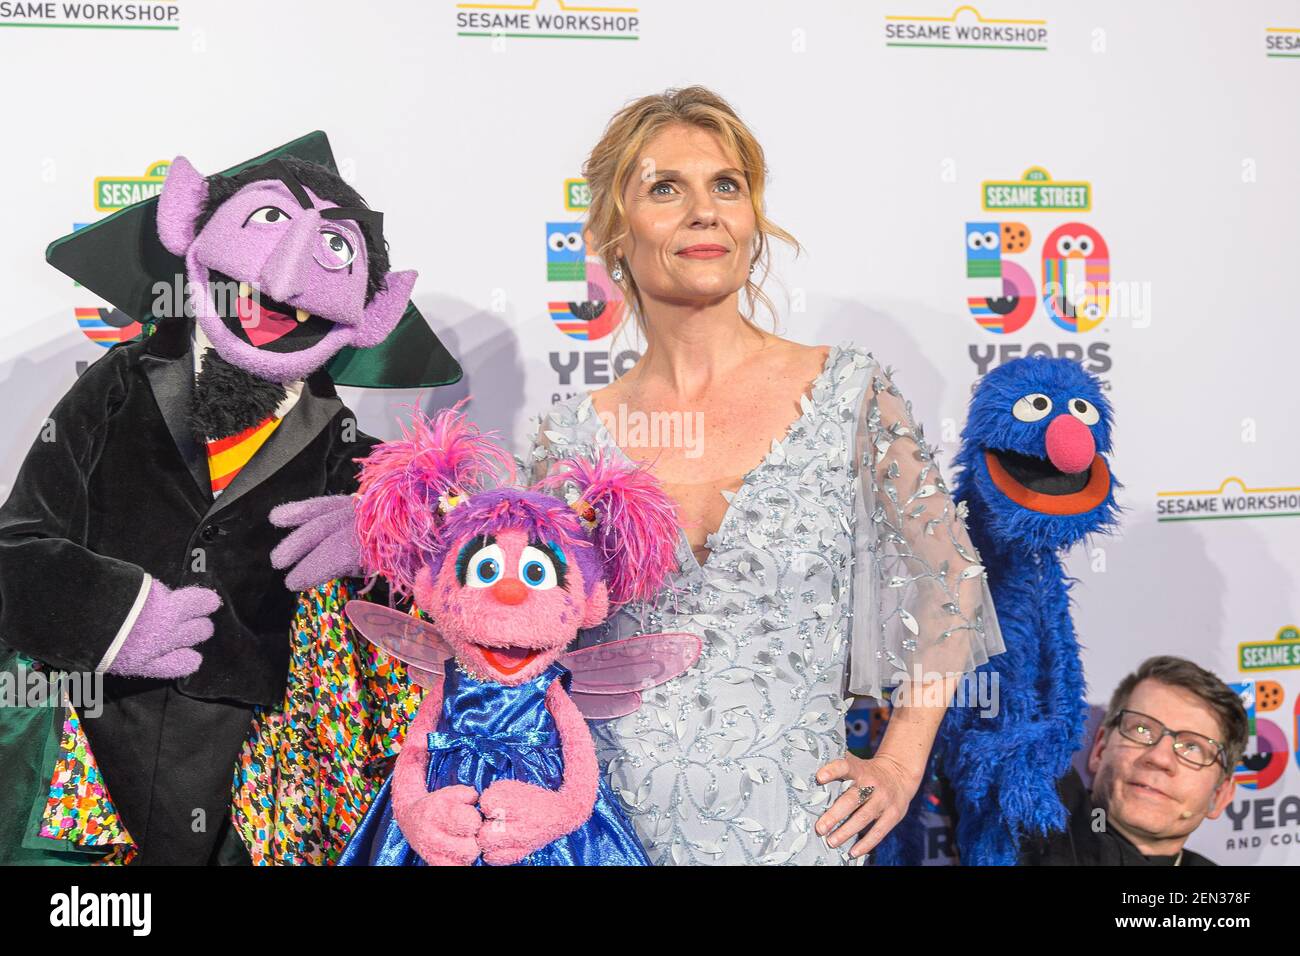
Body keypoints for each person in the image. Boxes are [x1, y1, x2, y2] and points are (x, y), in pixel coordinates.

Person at [527, 86, 1006, 864]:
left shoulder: (849, 392)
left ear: (753, 218)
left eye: (727, 185)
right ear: (616, 234)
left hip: (800, 837)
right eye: (664, 188)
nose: (704, 210)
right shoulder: (569, 443)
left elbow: (950, 579)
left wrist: (900, 760)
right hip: (608, 837)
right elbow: (524, 639)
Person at [1021, 655, 1246, 866]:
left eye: (1192, 747)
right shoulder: (1016, 837)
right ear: (1100, 749)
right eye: (1141, 729)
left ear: (1219, 796)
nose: (1159, 758)